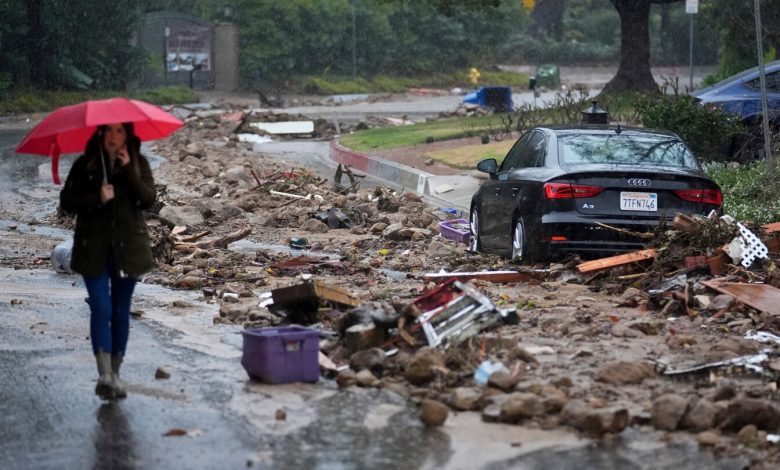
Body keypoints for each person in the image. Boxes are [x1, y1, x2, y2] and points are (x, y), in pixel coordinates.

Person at [60, 123, 156, 400]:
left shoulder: (139, 163)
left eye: (120, 131)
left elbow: (149, 200)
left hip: (129, 251)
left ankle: (115, 375)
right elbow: (67, 202)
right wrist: (96, 198)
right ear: (100, 134)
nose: (114, 137)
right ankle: (103, 374)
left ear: (128, 136)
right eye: (109, 131)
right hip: (94, 249)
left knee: (120, 311)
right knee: (101, 307)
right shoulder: (86, 165)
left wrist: (128, 173)